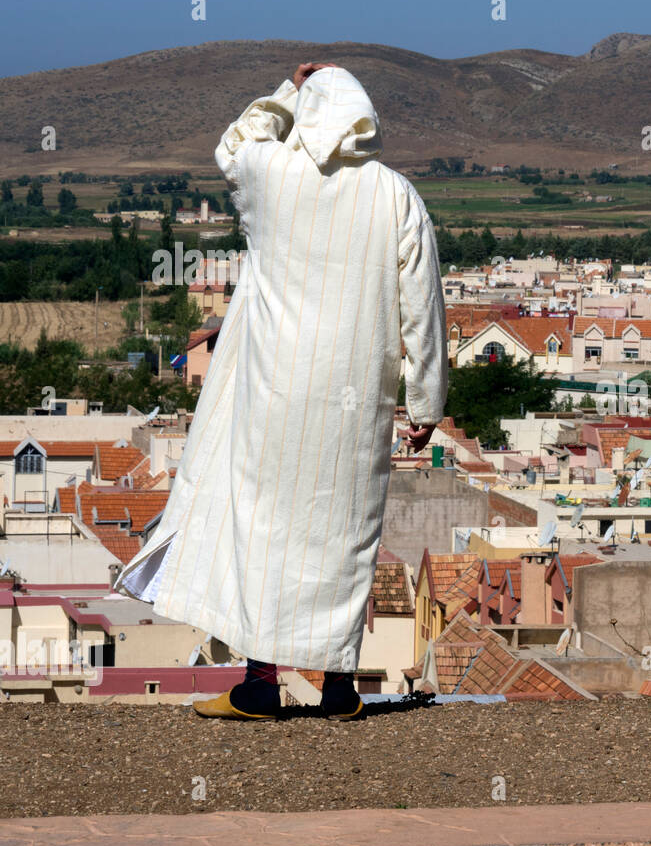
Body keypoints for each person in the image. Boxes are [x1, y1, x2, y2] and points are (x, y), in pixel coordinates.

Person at [115, 62, 447, 720]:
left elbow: (232, 144)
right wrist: (426, 402)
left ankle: (261, 683)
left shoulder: (274, 174)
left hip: (273, 393)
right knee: (345, 535)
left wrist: (287, 93)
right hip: (356, 399)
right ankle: (340, 687)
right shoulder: (396, 195)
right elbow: (424, 306)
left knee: (264, 531)